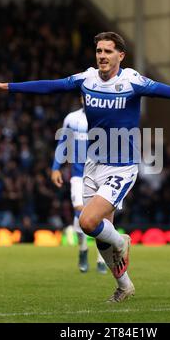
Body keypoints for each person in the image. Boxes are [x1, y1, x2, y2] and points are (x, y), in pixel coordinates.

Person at [0, 31, 170, 303]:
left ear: (121, 55)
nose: (102, 56)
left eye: (108, 51)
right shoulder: (87, 78)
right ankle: (124, 285)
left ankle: (121, 241)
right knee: (101, 234)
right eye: (99, 51)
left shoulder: (132, 81)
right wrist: (7, 87)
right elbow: (50, 85)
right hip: (92, 164)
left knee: (87, 222)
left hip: (121, 167)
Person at [51, 97, 107, 274]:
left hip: (101, 173)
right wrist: (55, 168)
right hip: (78, 174)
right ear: (82, 98)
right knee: (80, 211)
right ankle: (83, 250)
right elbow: (63, 143)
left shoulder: (106, 117)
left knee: (101, 216)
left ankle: (101, 257)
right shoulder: (72, 118)